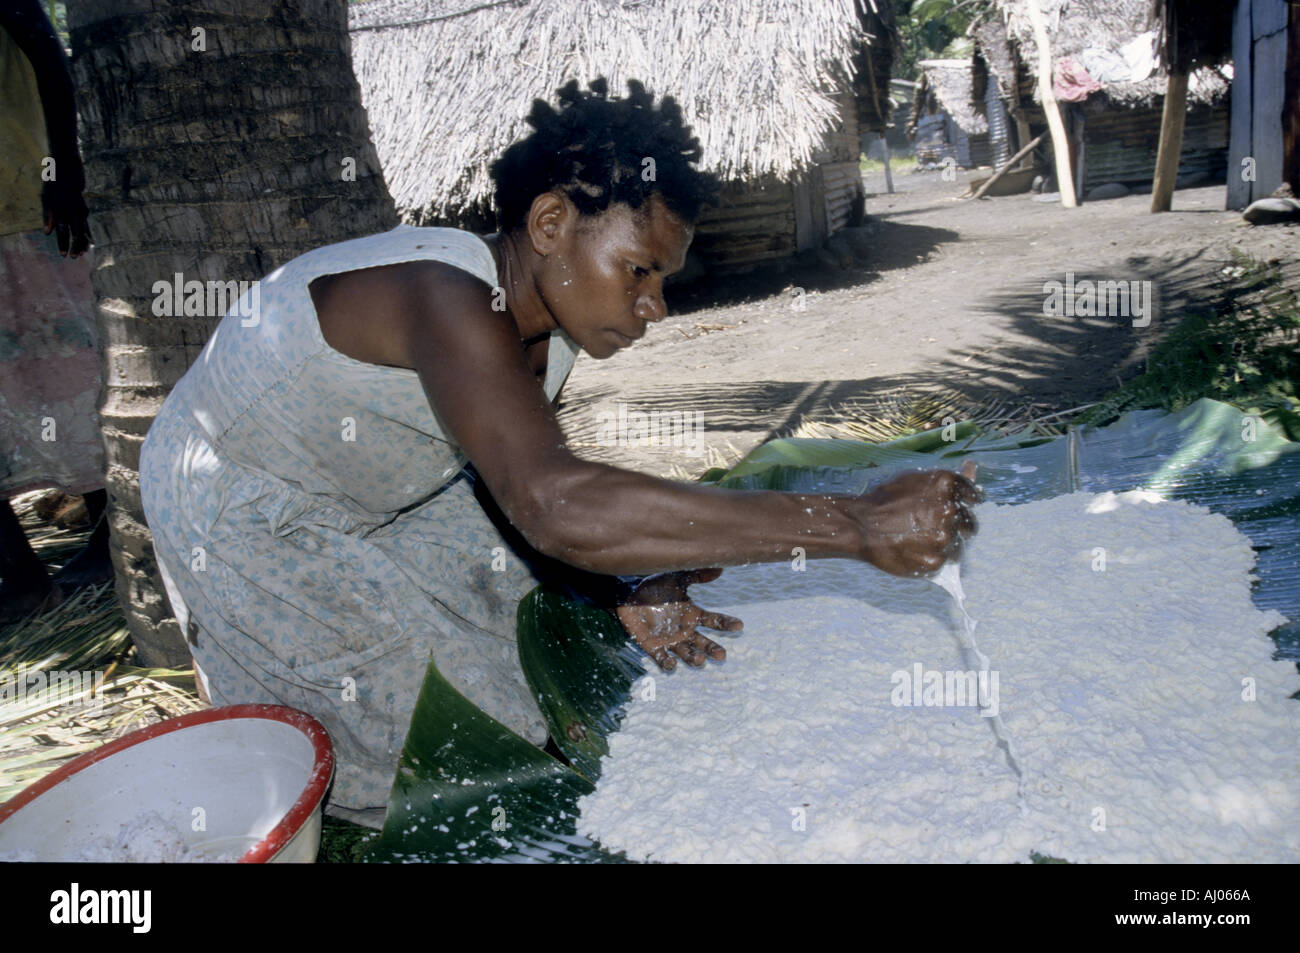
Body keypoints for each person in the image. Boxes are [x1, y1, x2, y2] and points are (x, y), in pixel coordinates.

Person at [139, 78, 980, 829]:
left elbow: (532, 487)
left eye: (664, 282)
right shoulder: (445, 294)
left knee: (503, 634)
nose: (655, 306)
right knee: (401, 730)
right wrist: (852, 524)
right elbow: (555, 503)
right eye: (640, 270)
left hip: (373, 478)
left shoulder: (549, 331)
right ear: (549, 224)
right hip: (238, 496)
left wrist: (624, 579)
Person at [0, 0, 111, 623]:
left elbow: (48, 56)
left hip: (25, 210)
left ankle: (109, 536)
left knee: (73, 377)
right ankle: (20, 576)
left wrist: (64, 174)